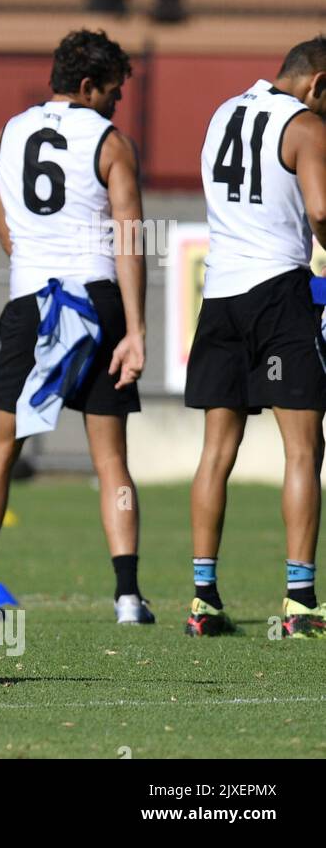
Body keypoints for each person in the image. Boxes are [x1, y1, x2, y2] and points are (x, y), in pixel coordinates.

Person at [0, 29, 152, 626]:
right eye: (113, 92)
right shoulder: (111, 142)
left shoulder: (4, 136)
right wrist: (136, 329)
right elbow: (130, 242)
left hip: (30, 301)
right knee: (110, 459)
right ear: (89, 86)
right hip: (95, 301)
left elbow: (8, 231)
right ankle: (126, 598)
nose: (117, 104)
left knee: (1, 449)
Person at [184, 35, 326, 637]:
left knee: (217, 452)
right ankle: (300, 600)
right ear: (318, 84)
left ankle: (202, 600)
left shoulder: (221, 114)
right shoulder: (306, 127)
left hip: (220, 295)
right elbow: (321, 212)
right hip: (277, 294)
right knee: (304, 447)